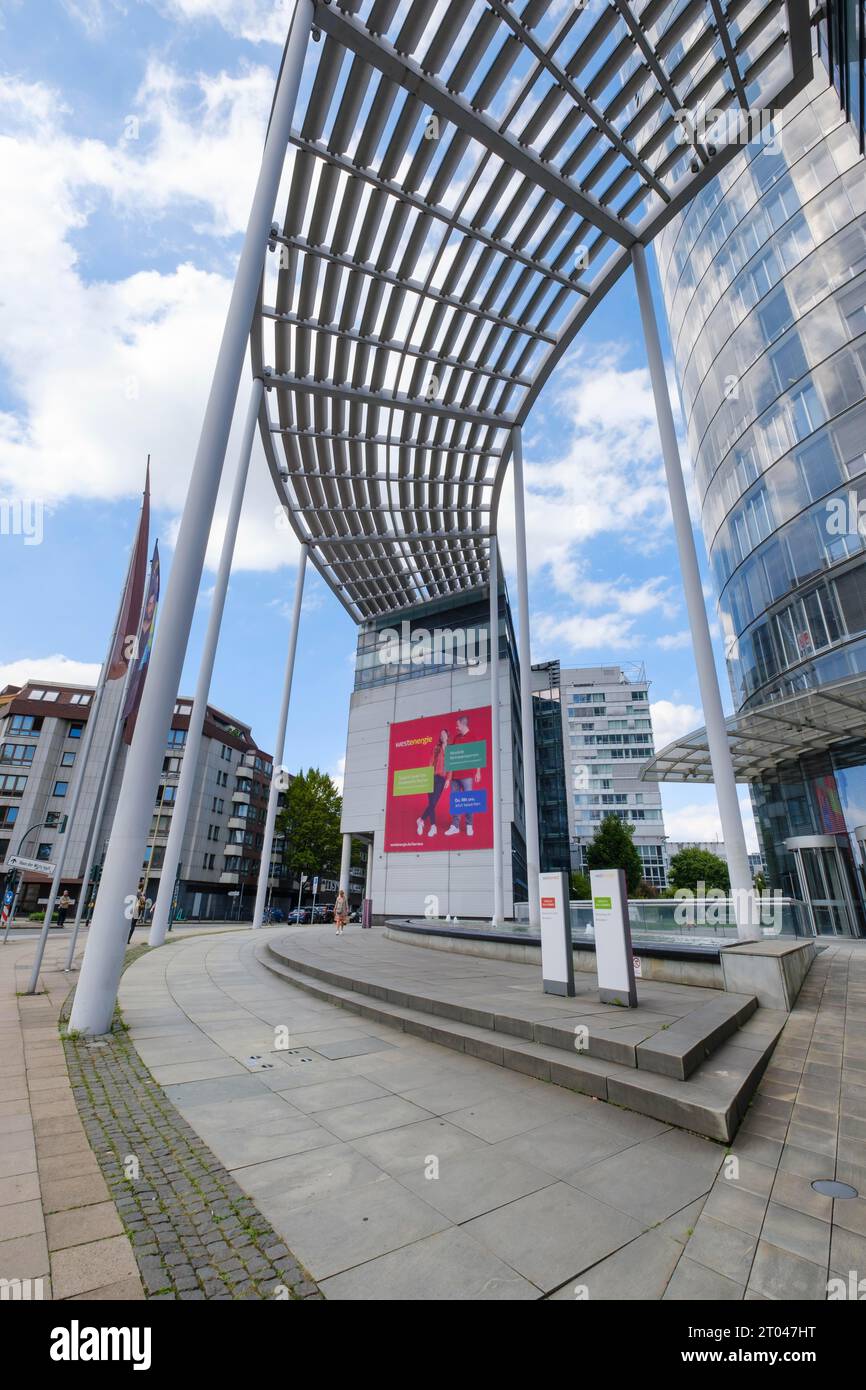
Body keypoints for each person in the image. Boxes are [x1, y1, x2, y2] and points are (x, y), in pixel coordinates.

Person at [445, 713, 482, 838]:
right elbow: (452, 756)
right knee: (456, 802)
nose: (456, 727)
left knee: (467, 801)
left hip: (467, 776)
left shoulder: (472, 737)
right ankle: (454, 826)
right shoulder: (456, 738)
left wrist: (478, 772)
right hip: (455, 776)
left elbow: (477, 756)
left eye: (457, 725)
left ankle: (469, 825)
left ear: (463, 724)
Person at [417, 729, 448, 838]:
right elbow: (431, 762)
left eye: (444, 734)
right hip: (432, 777)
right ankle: (433, 826)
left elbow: (451, 766)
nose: (442, 736)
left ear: (447, 735)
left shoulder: (451, 750)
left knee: (433, 803)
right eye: (441, 734)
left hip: (442, 779)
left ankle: (421, 820)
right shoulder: (436, 748)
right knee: (432, 803)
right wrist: (428, 778)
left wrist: (448, 779)